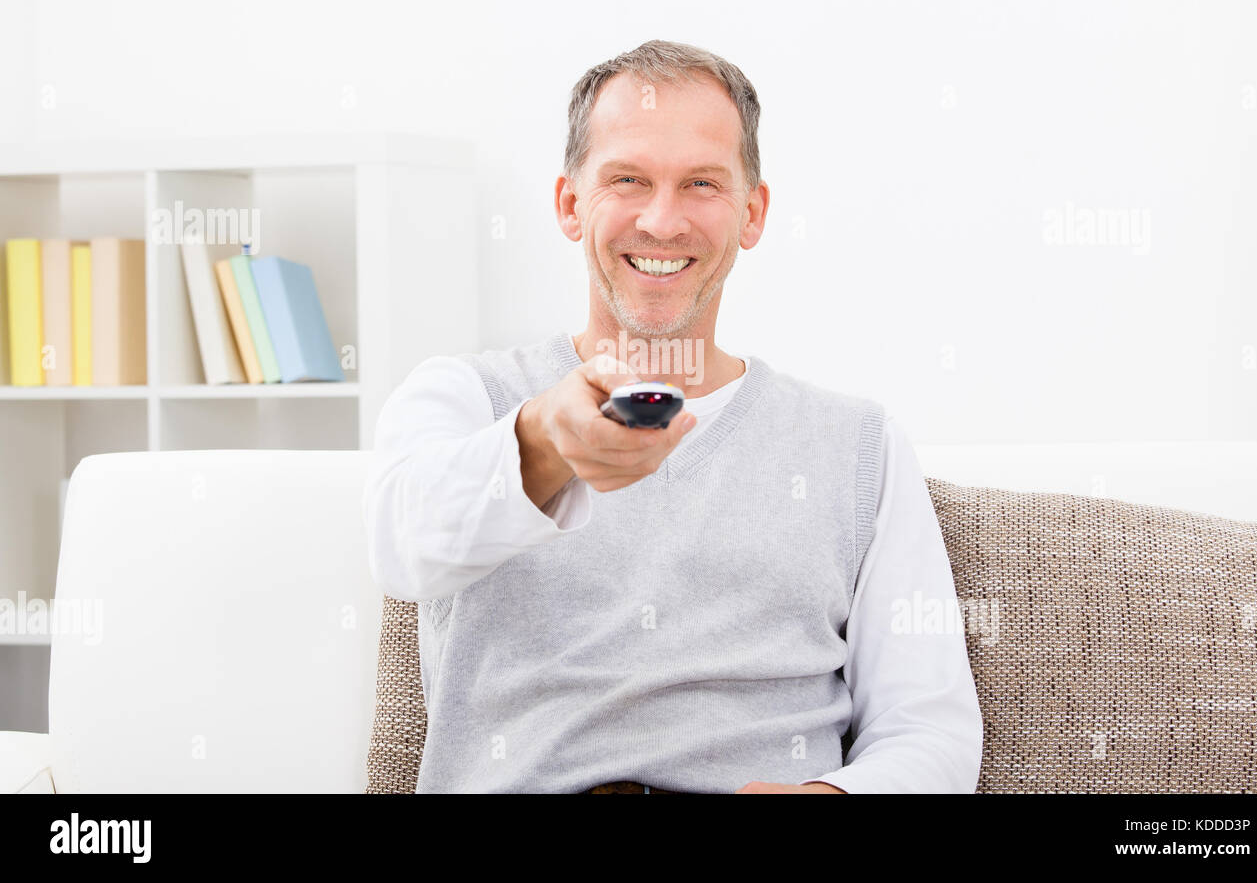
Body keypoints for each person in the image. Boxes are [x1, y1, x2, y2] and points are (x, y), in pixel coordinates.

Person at [363, 39, 983, 794]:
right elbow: (402, 547)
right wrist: (543, 443)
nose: (662, 220)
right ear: (569, 203)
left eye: (701, 184)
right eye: (628, 179)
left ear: (752, 213)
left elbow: (930, 730)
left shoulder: (858, 446)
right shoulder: (462, 399)